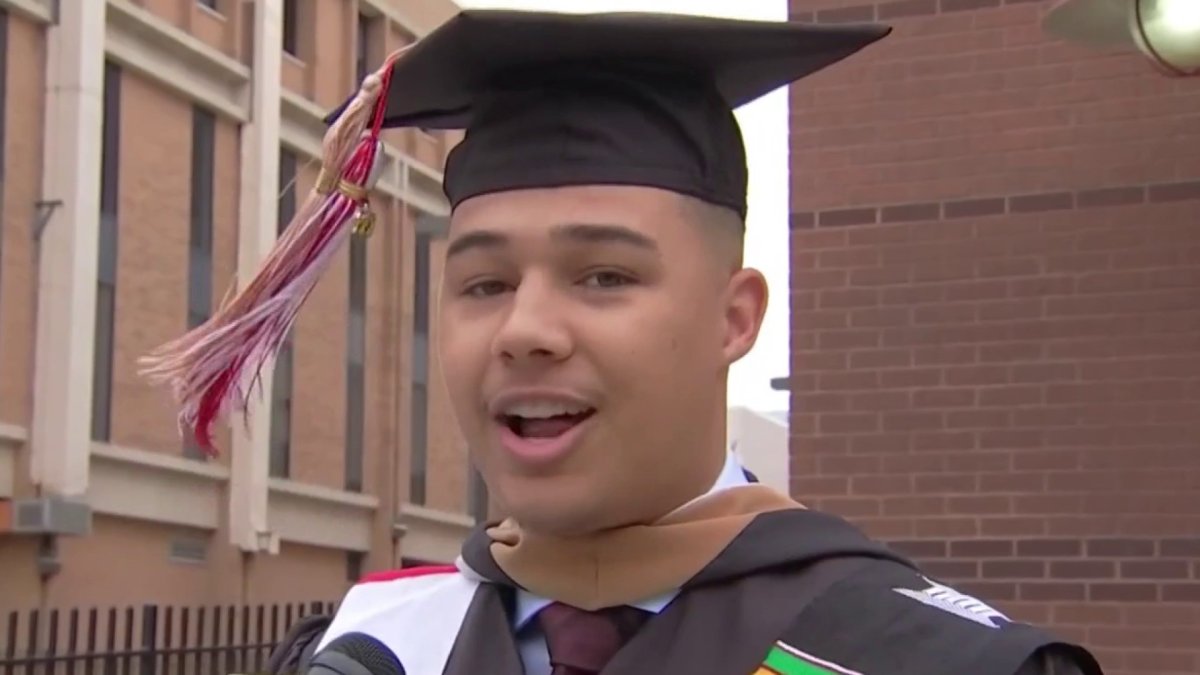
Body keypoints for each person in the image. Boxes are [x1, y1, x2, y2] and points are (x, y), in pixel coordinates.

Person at [149, 9, 1104, 675]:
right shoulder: (373, 651)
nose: (524, 329)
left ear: (736, 318)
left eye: (604, 276)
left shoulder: (930, 661)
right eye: (483, 283)